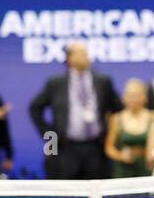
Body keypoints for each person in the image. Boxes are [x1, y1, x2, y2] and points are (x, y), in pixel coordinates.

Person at [28, 42, 120, 180]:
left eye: (86, 53)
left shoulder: (103, 81)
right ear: (70, 58)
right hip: (65, 147)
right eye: (82, 54)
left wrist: (110, 135)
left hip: (96, 147)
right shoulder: (56, 83)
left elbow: (118, 109)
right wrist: (50, 137)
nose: (86, 57)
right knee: (66, 194)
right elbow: (35, 107)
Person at [105, 78, 153, 178]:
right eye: (130, 95)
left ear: (145, 97)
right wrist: (121, 156)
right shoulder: (116, 119)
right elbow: (109, 148)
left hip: (147, 168)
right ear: (124, 97)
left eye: (137, 95)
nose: (134, 99)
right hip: (123, 170)